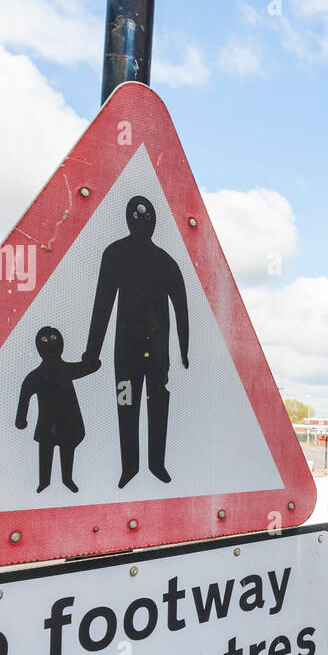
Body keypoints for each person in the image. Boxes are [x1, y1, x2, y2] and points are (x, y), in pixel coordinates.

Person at [82, 195, 190, 488]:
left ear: (154, 222)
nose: (142, 221)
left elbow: (182, 307)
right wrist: (91, 354)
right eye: (138, 215)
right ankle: (129, 466)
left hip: (157, 354)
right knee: (127, 403)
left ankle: (157, 464)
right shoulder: (115, 254)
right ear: (129, 219)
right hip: (126, 354)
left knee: (157, 403)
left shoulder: (165, 261)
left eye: (147, 216)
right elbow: (102, 306)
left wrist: (183, 352)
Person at [16, 326, 99, 493]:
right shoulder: (37, 375)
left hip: (67, 421)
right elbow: (25, 394)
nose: (50, 344)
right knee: (46, 452)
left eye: (53, 339)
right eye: (45, 340)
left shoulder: (64, 369)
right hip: (48, 422)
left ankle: (67, 479)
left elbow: (88, 367)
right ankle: (44, 482)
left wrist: (92, 360)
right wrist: (21, 418)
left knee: (67, 449)